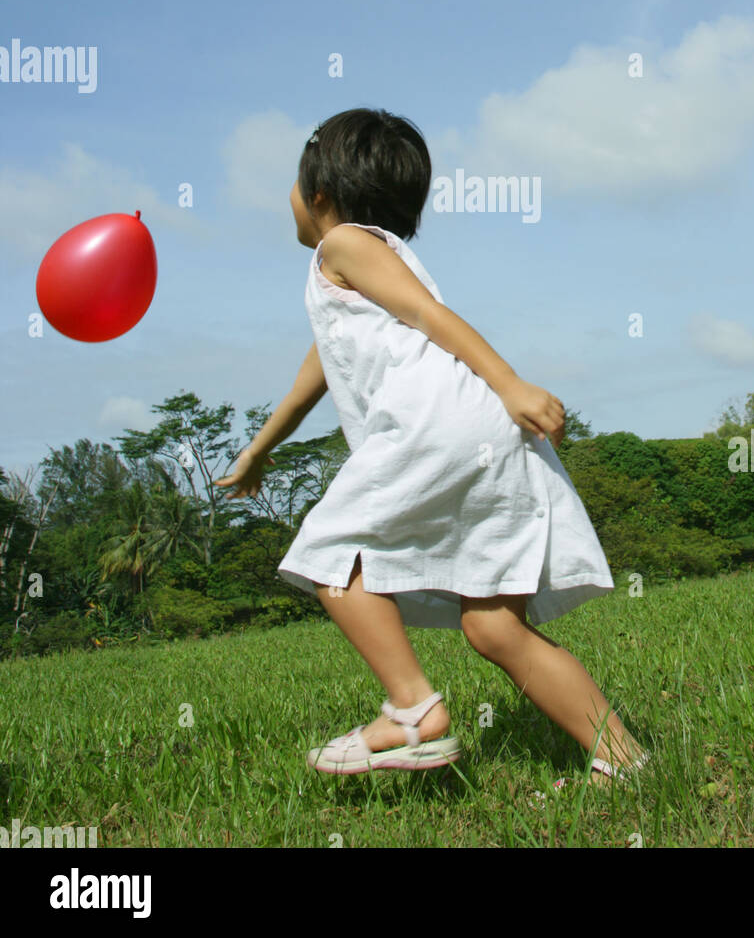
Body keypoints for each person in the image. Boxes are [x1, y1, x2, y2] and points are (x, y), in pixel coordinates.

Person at [216, 107, 649, 790]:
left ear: (318, 192)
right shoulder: (361, 270)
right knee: (494, 630)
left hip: (438, 428)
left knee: (332, 554)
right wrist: (261, 448)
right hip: (482, 438)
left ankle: (412, 710)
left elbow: (428, 314)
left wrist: (510, 382)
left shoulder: (344, 246)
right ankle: (623, 762)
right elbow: (318, 373)